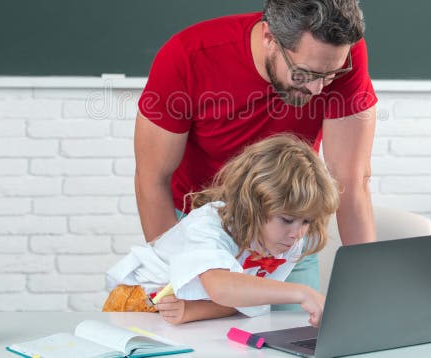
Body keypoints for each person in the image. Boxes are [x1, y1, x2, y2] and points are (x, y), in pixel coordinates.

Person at [135, 0, 378, 292]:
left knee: (295, 332)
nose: (320, 89)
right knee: (200, 332)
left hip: (289, 227)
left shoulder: (338, 56)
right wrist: (178, 276)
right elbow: (152, 178)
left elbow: (351, 178)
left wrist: (371, 285)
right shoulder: (188, 57)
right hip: (204, 231)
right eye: (304, 74)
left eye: (331, 75)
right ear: (269, 38)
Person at [104, 134, 339, 326]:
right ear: (253, 204)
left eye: (306, 221)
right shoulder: (209, 225)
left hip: (183, 312)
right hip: (138, 304)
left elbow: (242, 301)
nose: (297, 233)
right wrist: (301, 292)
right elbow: (221, 287)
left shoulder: (287, 240)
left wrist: (192, 311)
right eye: (287, 219)